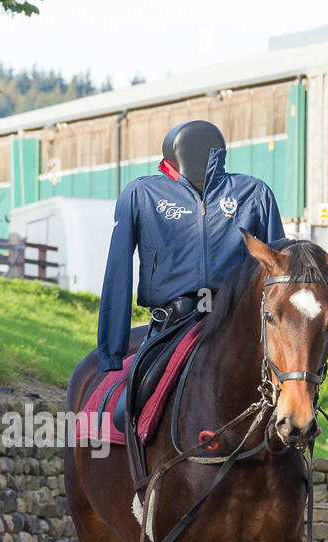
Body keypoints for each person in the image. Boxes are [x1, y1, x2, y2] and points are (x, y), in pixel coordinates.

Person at [96, 119, 288, 373]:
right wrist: (112, 349)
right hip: (170, 325)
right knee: (136, 401)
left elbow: (280, 273)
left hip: (235, 322)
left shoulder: (253, 193)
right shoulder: (142, 194)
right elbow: (117, 271)